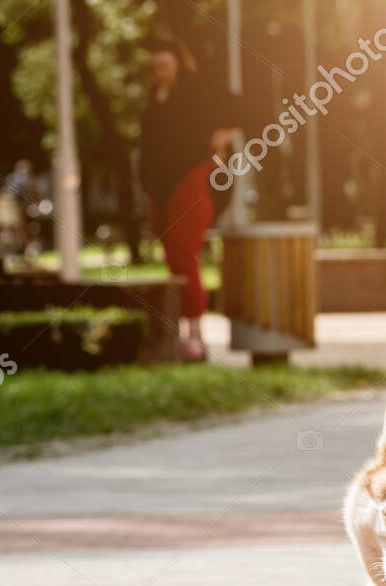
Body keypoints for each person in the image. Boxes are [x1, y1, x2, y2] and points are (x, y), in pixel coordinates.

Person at [139, 35, 239, 361]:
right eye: (155, 65)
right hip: (160, 189)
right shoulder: (155, 95)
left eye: (164, 64)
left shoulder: (195, 87)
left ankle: (196, 337)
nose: (160, 70)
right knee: (173, 260)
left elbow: (242, 108)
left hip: (191, 181)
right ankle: (181, 334)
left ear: (177, 62)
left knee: (185, 256)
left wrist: (222, 136)